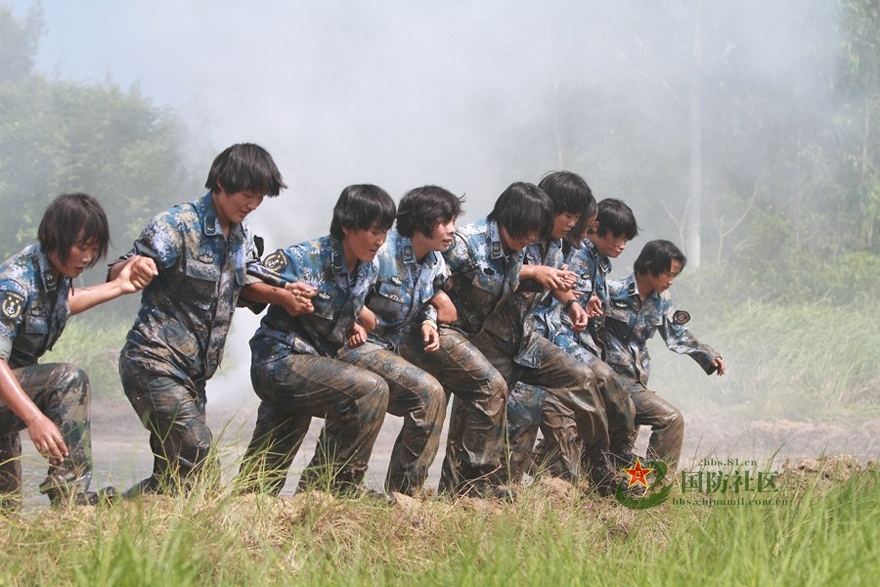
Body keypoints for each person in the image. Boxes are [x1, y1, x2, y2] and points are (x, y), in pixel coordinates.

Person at [112, 143, 287, 498]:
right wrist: (134, 268)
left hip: (193, 377)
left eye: (260, 198)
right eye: (247, 194)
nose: (252, 204)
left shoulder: (241, 238)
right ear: (221, 182)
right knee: (200, 460)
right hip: (154, 363)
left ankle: (111, 512)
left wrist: (283, 294)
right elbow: (122, 268)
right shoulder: (178, 225)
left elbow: (244, 287)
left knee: (176, 484)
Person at [439, 181, 609, 496]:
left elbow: (528, 277)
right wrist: (438, 301)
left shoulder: (543, 243)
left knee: (582, 379)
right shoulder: (467, 243)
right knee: (476, 418)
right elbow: (425, 272)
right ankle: (458, 496)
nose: (531, 238)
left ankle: (600, 463)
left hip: (526, 340)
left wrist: (571, 301)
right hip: (480, 342)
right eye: (567, 215)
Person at [236, 184, 397, 499]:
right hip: (278, 360)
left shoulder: (370, 267)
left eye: (385, 232)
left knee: (263, 475)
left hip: (316, 363)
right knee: (370, 390)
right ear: (348, 226)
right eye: (374, 231)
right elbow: (243, 280)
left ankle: (267, 500)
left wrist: (351, 322)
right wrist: (281, 296)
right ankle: (336, 490)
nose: (380, 240)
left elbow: (340, 304)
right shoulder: (303, 258)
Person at [0, 193, 153, 509]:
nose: (87, 257)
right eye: (81, 247)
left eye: (94, 249)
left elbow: (62, 305)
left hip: (8, 398)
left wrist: (120, 287)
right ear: (56, 238)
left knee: (7, 513)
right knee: (68, 379)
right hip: (8, 393)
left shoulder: (52, 275)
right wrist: (35, 419)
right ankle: (71, 499)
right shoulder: (16, 281)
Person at [344, 186, 463, 496]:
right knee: (428, 391)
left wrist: (429, 322)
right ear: (422, 222)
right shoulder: (381, 253)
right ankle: (362, 488)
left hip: (393, 347)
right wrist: (362, 314)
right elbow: (346, 292)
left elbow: (426, 300)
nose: (452, 229)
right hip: (356, 344)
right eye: (445, 221)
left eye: (453, 221)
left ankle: (403, 495)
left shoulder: (434, 262)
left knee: (439, 389)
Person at [533, 197, 641, 479]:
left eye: (625, 240)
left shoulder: (597, 261)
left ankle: (611, 458)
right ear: (596, 229)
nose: (621, 246)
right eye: (617, 237)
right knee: (601, 380)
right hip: (557, 336)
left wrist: (589, 301)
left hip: (571, 335)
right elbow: (557, 295)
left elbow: (578, 293)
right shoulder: (577, 255)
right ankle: (605, 462)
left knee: (611, 393)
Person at [601, 239, 726, 473]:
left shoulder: (663, 301)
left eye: (675, 276)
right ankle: (658, 481)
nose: (670, 281)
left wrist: (708, 356)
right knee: (670, 419)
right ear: (649, 267)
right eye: (668, 274)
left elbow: (677, 335)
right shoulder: (611, 290)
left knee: (620, 446)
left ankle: (646, 487)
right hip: (609, 381)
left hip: (636, 383)